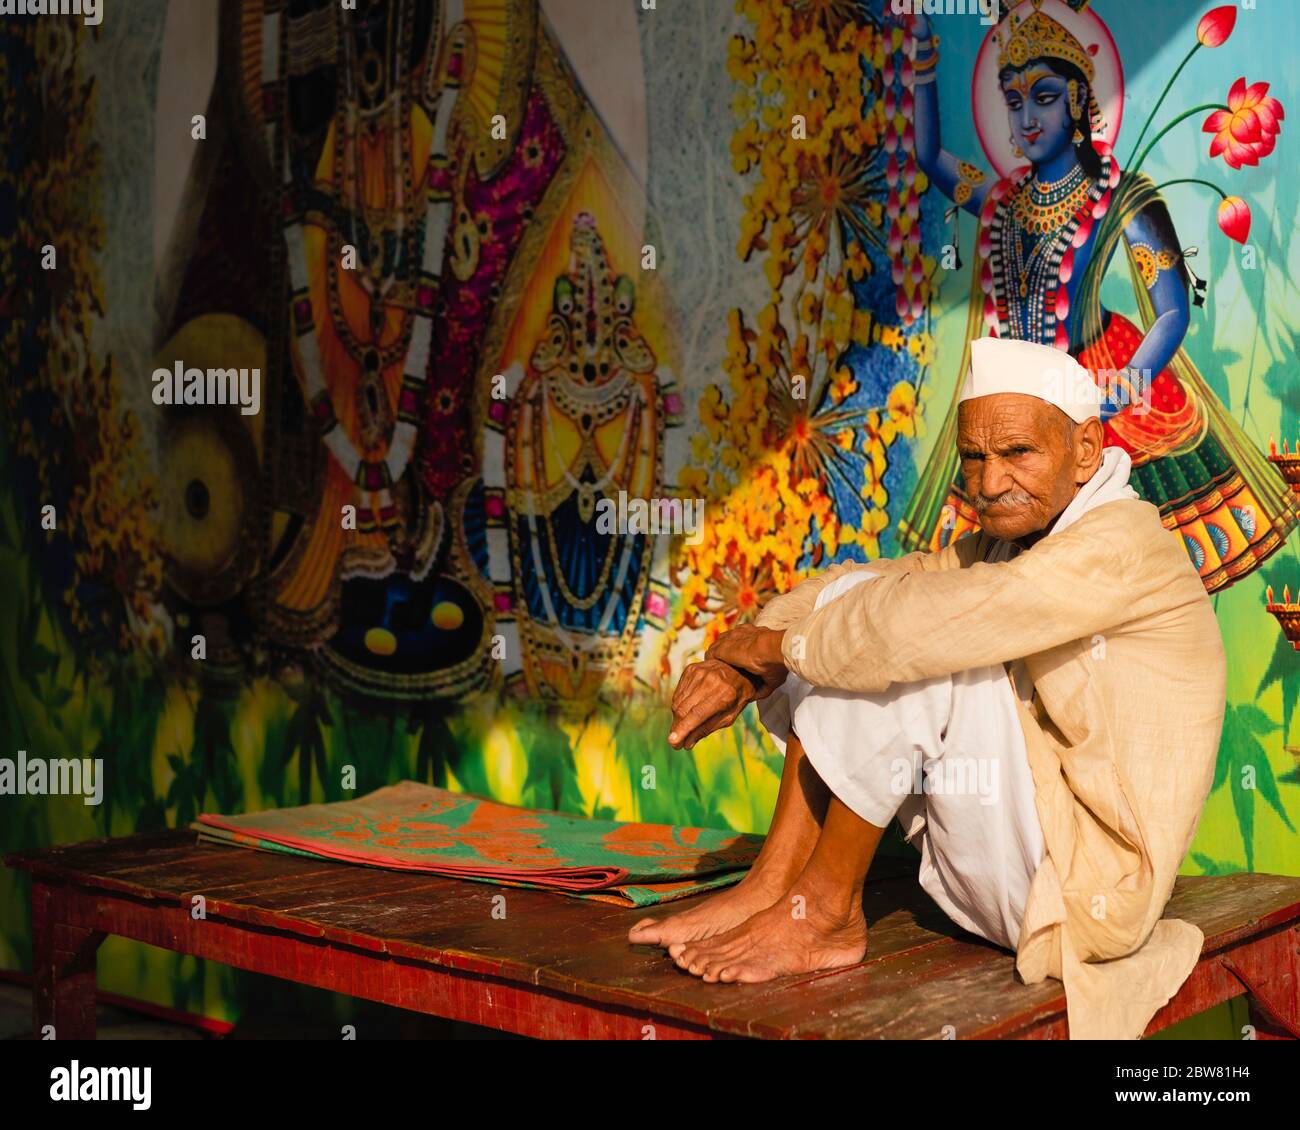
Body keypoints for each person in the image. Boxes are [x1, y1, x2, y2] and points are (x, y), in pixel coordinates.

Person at [630, 336, 1227, 1040]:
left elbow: (917, 624)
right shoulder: (1008, 543)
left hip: (1079, 895)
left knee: (913, 641)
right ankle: (775, 885)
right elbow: (874, 587)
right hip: (1010, 866)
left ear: (1086, 452)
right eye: (974, 457)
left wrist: (777, 649)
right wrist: (747, 654)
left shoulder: (1120, 544)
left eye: (1018, 454)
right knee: (867, 606)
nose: (990, 481)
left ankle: (824, 917)